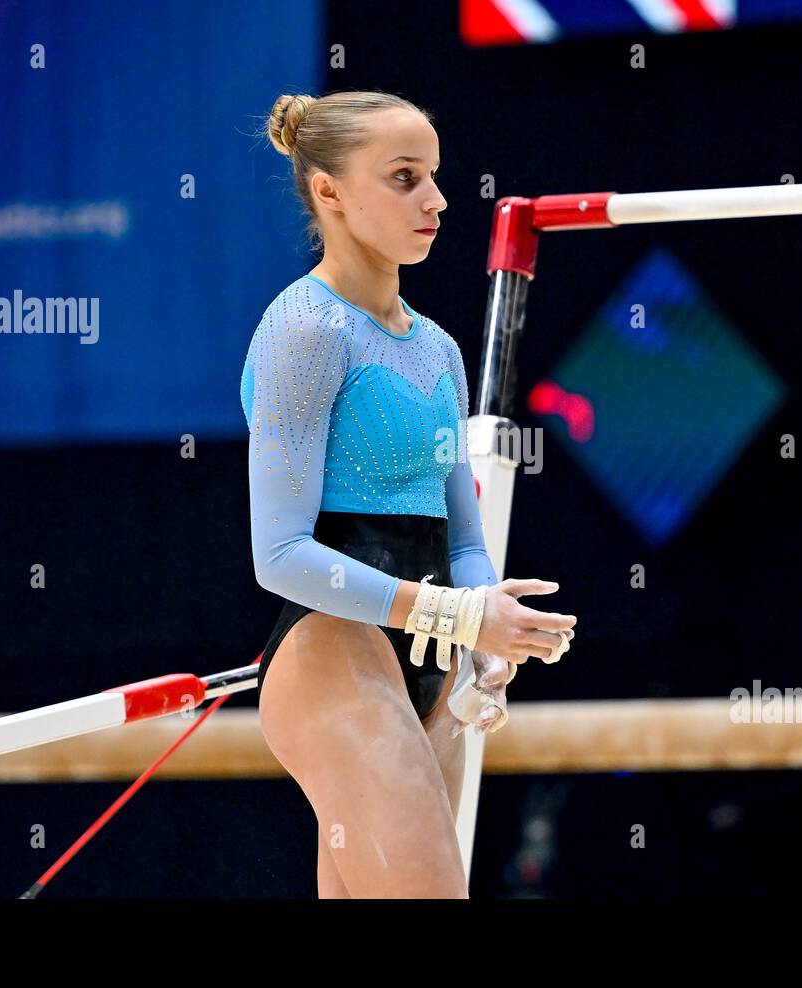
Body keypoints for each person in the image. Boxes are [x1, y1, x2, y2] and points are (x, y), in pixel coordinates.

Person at [241, 90, 577, 898]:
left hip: (429, 661)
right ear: (330, 192)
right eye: (403, 178)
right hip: (335, 651)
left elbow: (461, 537)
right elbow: (279, 555)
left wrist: (487, 625)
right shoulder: (305, 329)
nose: (436, 199)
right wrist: (457, 615)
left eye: (432, 175)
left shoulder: (439, 349)